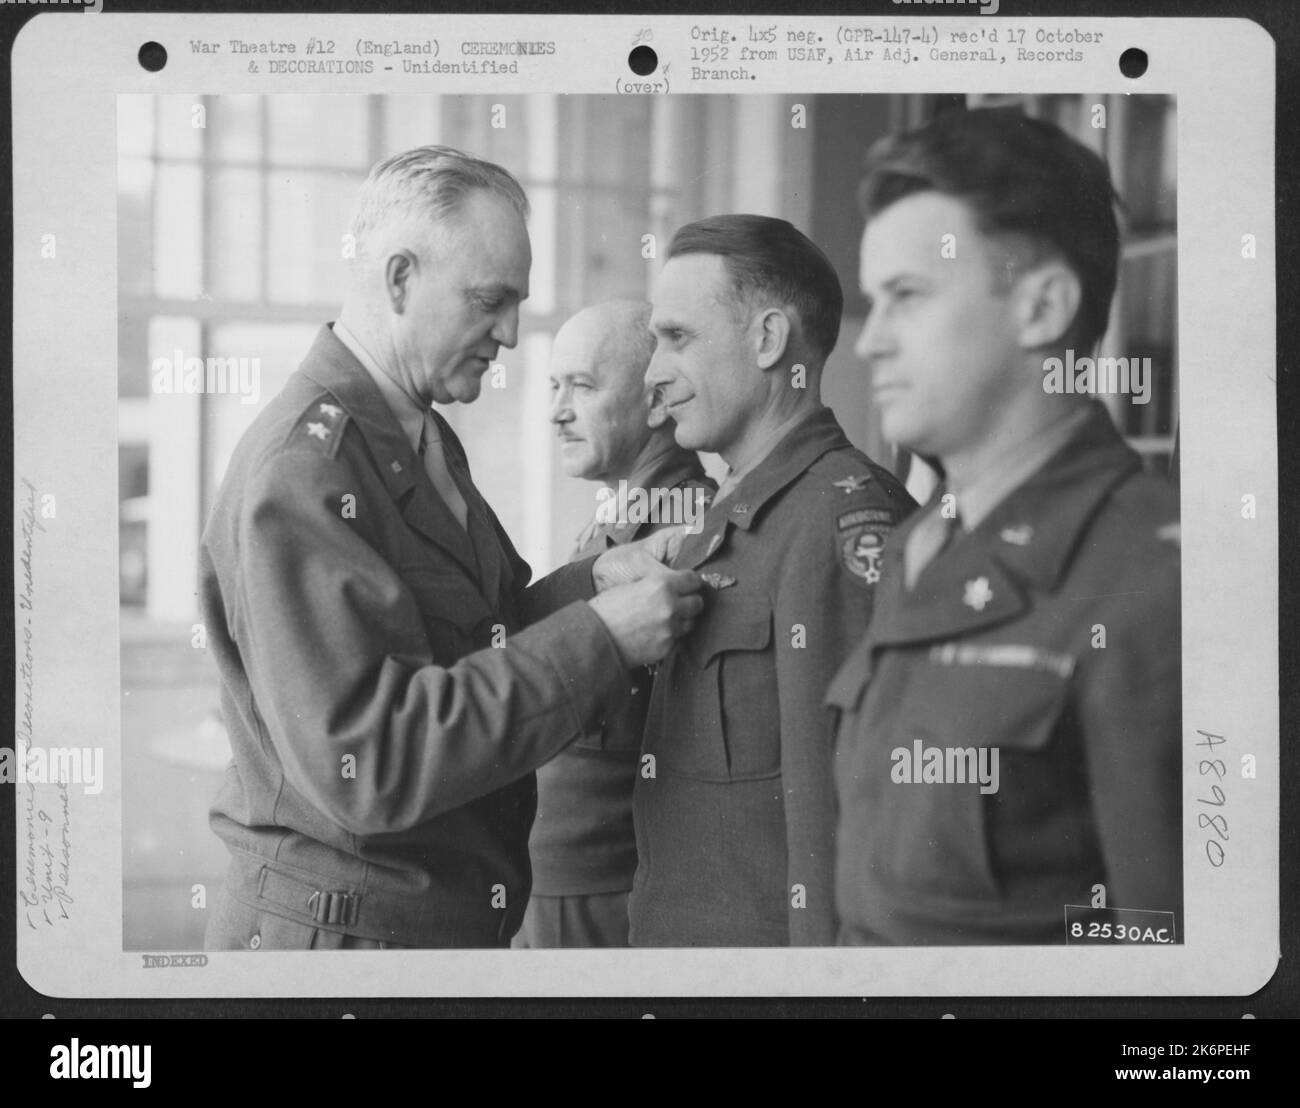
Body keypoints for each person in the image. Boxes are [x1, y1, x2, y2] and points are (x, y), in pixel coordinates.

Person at [199, 146, 703, 950]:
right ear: (399, 280)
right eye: (489, 302)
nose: (508, 334)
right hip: (343, 944)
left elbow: (472, 640)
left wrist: (590, 582)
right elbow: (372, 758)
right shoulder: (304, 473)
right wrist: (601, 637)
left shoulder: (419, 434)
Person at [828, 107, 1181, 945]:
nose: (871, 341)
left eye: (906, 298)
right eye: (872, 303)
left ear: (1042, 307)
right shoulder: (921, 544)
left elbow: (1176, 980)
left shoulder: (1158, 579)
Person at [630, 215, 917, 947]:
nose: (652, 373)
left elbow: (840, 823)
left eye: (678, 338)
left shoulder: (838, 521)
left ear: (767, 340)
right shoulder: (728, 513)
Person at [513, 300, 716, 948]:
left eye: (582, 386)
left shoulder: (683, 533)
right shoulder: (618, 521)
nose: (557, 411)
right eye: (552, 387)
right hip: (558, 875)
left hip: (598, 885)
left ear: (656, 401)